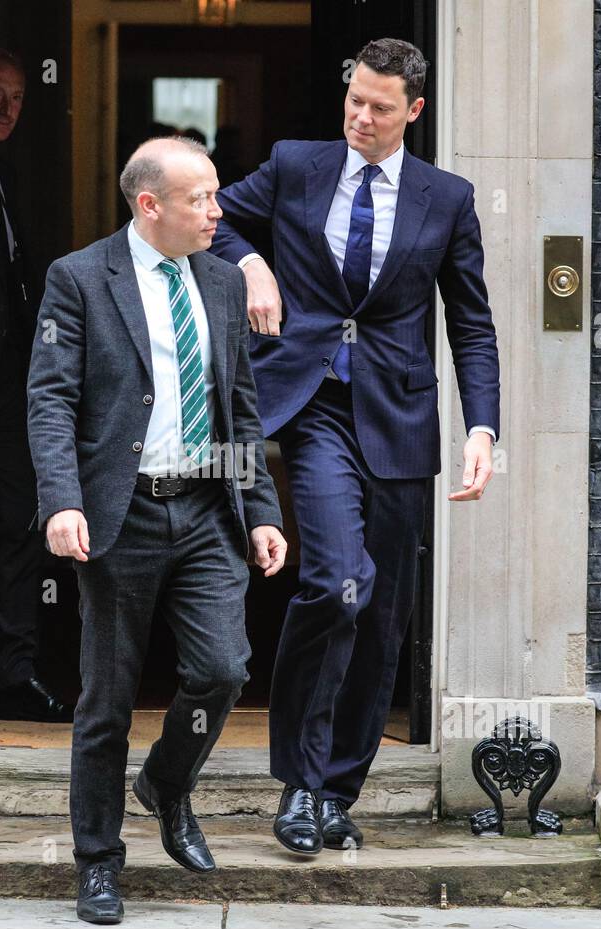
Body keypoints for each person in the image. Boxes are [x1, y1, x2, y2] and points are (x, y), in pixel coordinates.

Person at [209, 38, 502, 855]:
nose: (361, 118)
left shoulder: (447, 199)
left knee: (383, 617)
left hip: (401, 420)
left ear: (413, 110)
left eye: (379, 107)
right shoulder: (296, 165)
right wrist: (256, 266)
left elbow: (471, 325)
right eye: (354, 101)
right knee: (337, 584)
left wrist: (483, 428)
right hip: (314, 406)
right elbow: (214, 217)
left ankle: (339, 791)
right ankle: (299, 785)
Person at [27, 137, 287, 924]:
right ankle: (99, 862)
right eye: (201, 199)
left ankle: (168, 783)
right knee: (106, 700)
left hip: (208, 509)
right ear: (150, 206)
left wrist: (263, 511)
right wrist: (61, 500)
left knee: (224, 669)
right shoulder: (77, 279)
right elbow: (50, 400)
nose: (218, 212)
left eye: (216, 197)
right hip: (121, 512)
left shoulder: (219, 281)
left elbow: (241, 408)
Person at [0, 44, 71, 723]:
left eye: (18, 97)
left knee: (19, 522)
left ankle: (14, 673)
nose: (8, 109)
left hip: (13, 384)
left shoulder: (5, 175)